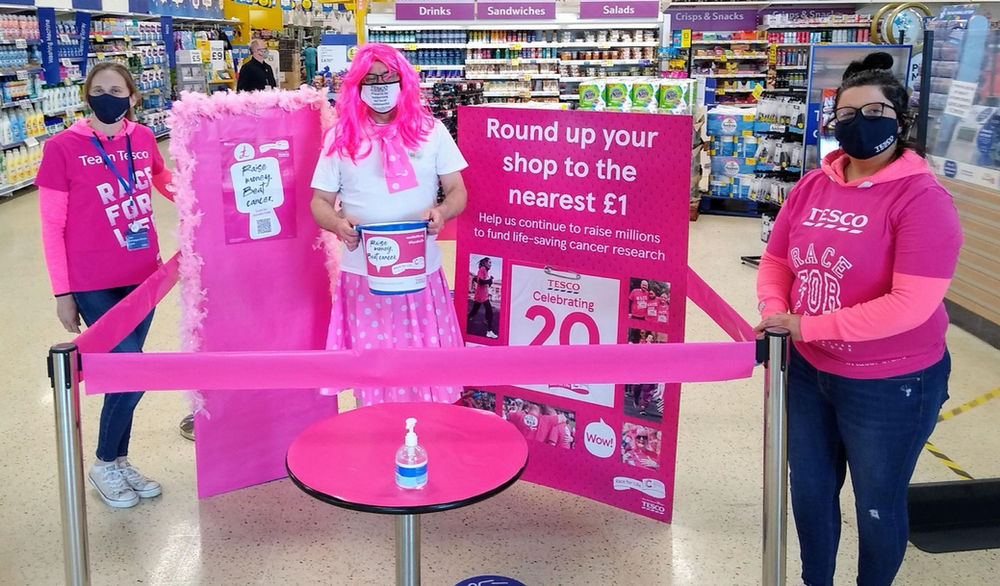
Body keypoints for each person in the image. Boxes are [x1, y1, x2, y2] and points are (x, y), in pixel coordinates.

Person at [754, 52, 962, 586]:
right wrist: (776, 312)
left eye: (873, 110)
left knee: (877, 506)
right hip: (805, 373)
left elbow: (910, 305)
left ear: (900, 118)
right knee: (810, 495)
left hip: (890, 383)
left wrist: (804, 326)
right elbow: (777, 260)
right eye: (845, 114)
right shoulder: (812, 185)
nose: (857, 122)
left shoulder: (922, 198)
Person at [36, 62, 175, 509]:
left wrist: (199, 192)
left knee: (126, 376)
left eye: (117, 90)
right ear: (86, 96)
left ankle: (118, 460)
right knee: (131, 372)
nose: (108, 97)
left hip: (142, 276)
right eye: (99, 90)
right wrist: (63, 293)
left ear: (133, 97)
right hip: (93, 282)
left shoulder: (142, 137)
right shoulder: (62, 147)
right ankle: (103, 463)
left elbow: (159, 177)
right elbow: (51, 227)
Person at [310, 43, 468, 406]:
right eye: (370, 79)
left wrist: (442, 212)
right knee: (373, 370)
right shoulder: (340, 138)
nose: (380, 85)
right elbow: (318, 201)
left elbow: (458, 190)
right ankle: (378, 430)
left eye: (387, 77)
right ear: (357, 86)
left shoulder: (432, 131)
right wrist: (337, 223)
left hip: (420, 272)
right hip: (363, 275)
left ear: (404, 80)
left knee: (425, 366)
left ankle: (427, 426)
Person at [468, 256, 498, 338]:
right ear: (485, 263)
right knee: (489, 312)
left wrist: (490, 281)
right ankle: (489, 331)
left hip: (483, 294)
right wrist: (489, 280)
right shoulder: (482, 269)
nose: (491, 264)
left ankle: (467, 319)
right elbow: (480, 281)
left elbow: (486, 284)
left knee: (474, 311)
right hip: (481, 295)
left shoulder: (485, 271)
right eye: (489, 262)